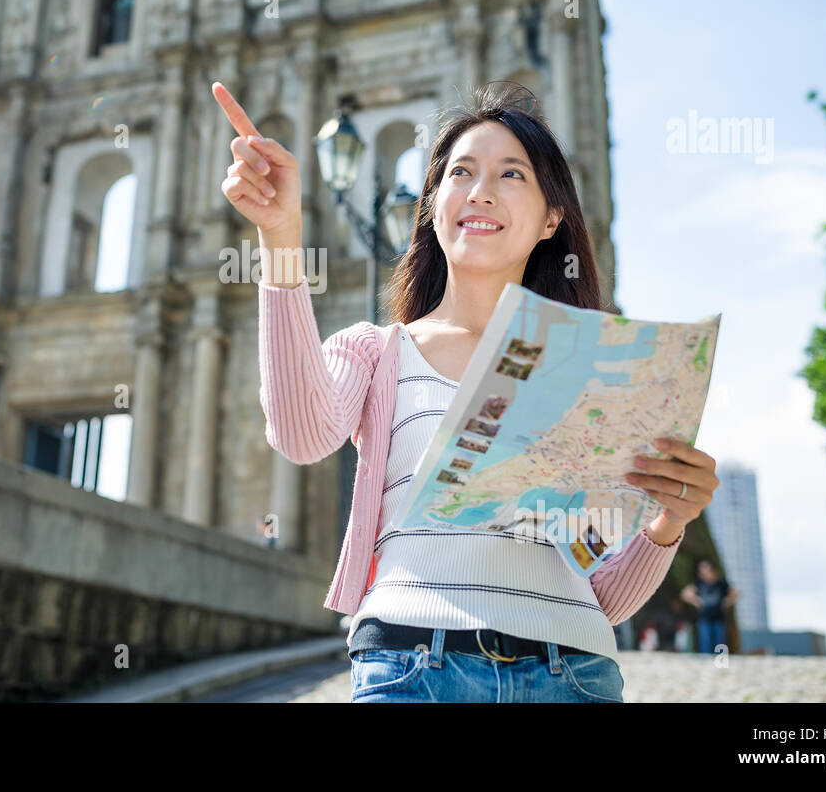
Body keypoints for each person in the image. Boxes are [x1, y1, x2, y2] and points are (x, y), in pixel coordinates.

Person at [213, 80, 722, 702]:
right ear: (432, 206)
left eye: (512, 174)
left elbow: (603, 595)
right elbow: (299, 434)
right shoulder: (376, 352)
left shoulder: (589, 380)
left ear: (551, 218)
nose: (481, 189)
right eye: (461, 172)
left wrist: (668, 522)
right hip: (413, 668)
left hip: (575, 676)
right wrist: (280, 237)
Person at [680, 559, 738, 653]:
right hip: (704, 619)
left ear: (712, 570)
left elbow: (735, 593)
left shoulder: (721, 584)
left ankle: (720, 665)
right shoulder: (699, 584)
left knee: (719, 646)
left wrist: (726, 602)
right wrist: (696, 601)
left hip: (719, 619)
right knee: (705, 646)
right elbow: (685, 594)